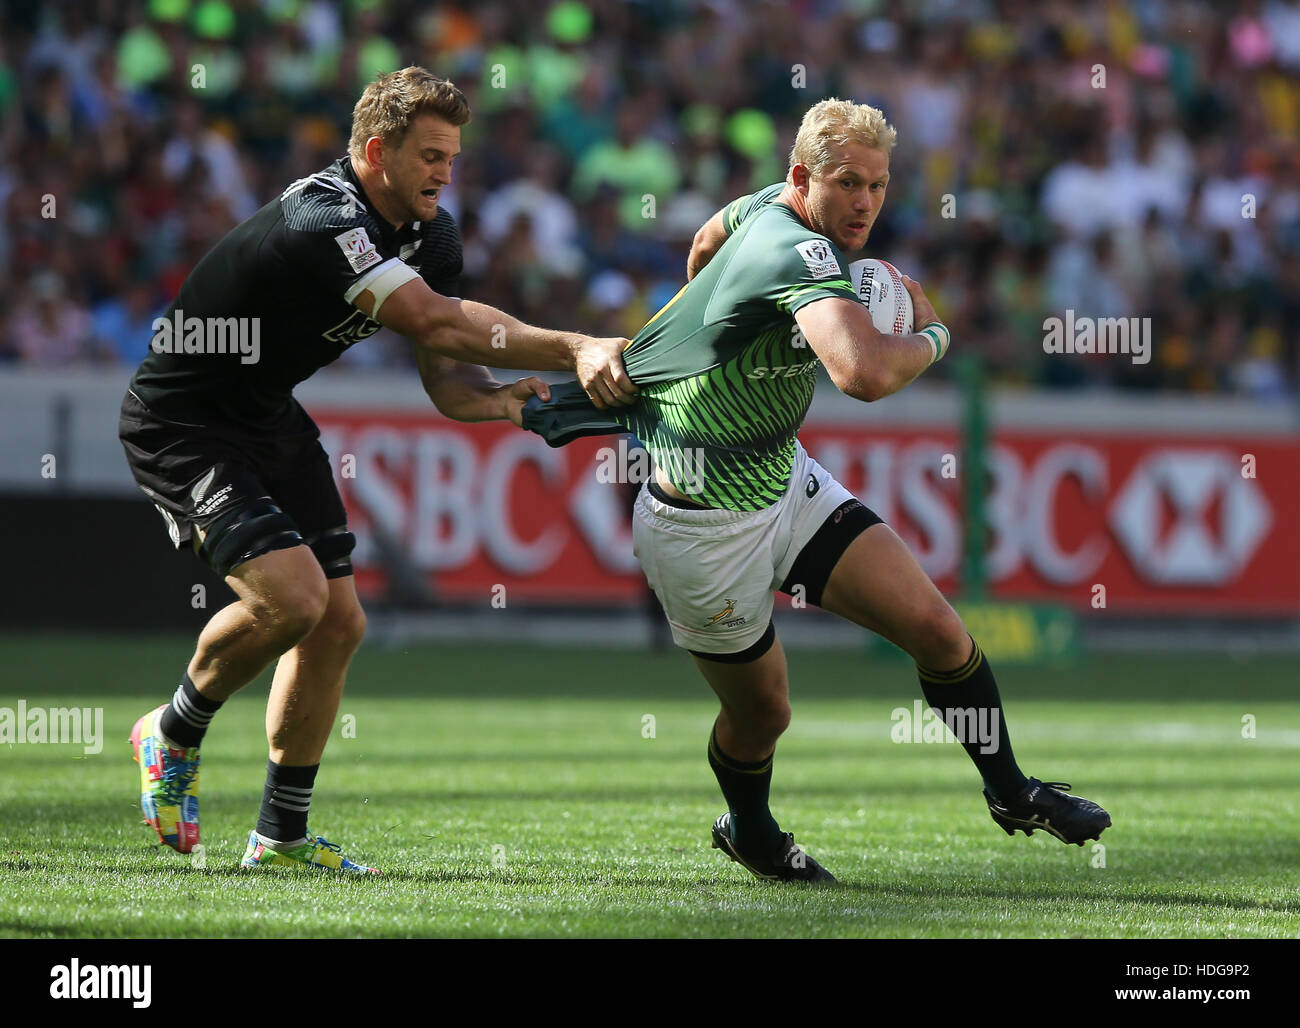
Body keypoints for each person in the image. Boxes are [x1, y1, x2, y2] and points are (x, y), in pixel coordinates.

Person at [524, 99, 1109, 884]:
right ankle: (753, 831)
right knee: (764, 714)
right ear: (803, 178)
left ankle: (1013, 793)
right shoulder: (798, 253)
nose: (866, 202)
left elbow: (704, 241)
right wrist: (933, 336)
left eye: (878, 184)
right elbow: (863, 375)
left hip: (783, 479)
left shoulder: (764, 206)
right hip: (701, 526)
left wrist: (712, 331)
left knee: (938, 630)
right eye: (847, 183)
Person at [120, 67, 635, 875]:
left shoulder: (435, 238)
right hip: (182, 421)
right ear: (374, 152)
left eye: (451, 159)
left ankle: (280, 836)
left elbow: (447, 377)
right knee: (293, 599)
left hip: (265, 415)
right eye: (429, 155)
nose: (442, 172)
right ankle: (173, 729)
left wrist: (503, 404)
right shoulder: (324, 213)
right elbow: (432, 318)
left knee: (339, 622)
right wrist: (579, 345)